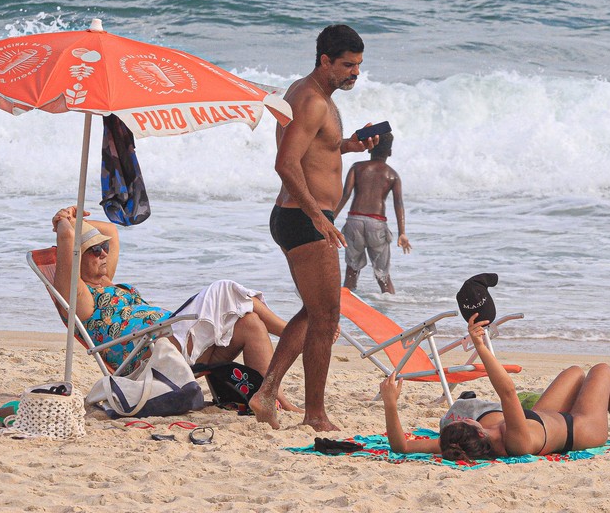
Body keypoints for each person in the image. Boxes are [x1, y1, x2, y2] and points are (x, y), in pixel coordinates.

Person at [251, 24, 379, 432]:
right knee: (326, 317)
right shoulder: (310, 100)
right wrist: (318, 216)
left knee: (314, 311)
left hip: (301, 216)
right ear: (325, 60)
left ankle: (266, 393)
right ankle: (315, 414)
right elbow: (285, 164)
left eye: (359, 65)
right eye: (348, 65)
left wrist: (349, 146)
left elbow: (316, 149)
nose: (355, 73)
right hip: (304, 218)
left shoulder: (316, 94)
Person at [50, 206, 300, 411]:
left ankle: (270, 397)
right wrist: (62, 221)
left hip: (178, 341)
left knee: (250, 322)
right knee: (224, 288)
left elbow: (111, 231)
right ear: (76, 258)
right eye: (95, 250)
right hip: (151, 355)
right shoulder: (81, 299)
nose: (104, 253)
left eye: (103, 247)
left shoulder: (107, 282)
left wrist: (76, 218)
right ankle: (296, 334)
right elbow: (66, 238)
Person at [380, 314, 610, 458]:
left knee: (574, 372)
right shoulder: (515, 441)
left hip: (544, 417)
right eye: (464, 422)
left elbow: (401, 446)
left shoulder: (458, 444)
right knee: (602, 370)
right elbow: (508, 391)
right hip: (581, 429)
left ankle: (593, 401)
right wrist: (480, 345)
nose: (464, 418)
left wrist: (390, 404)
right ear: (478, 432)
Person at [334, 132, 411, 294]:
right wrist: (402, 233)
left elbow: (345, 194)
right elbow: (398, 204)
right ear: (390, 152)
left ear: (370, 149)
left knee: (352, 270)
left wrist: (330, 218)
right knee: (383, 276)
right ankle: (389, 305)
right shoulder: (392, 175)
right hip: (377, 223)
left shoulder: (357, 167)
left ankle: (347, 304)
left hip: (355, 220)